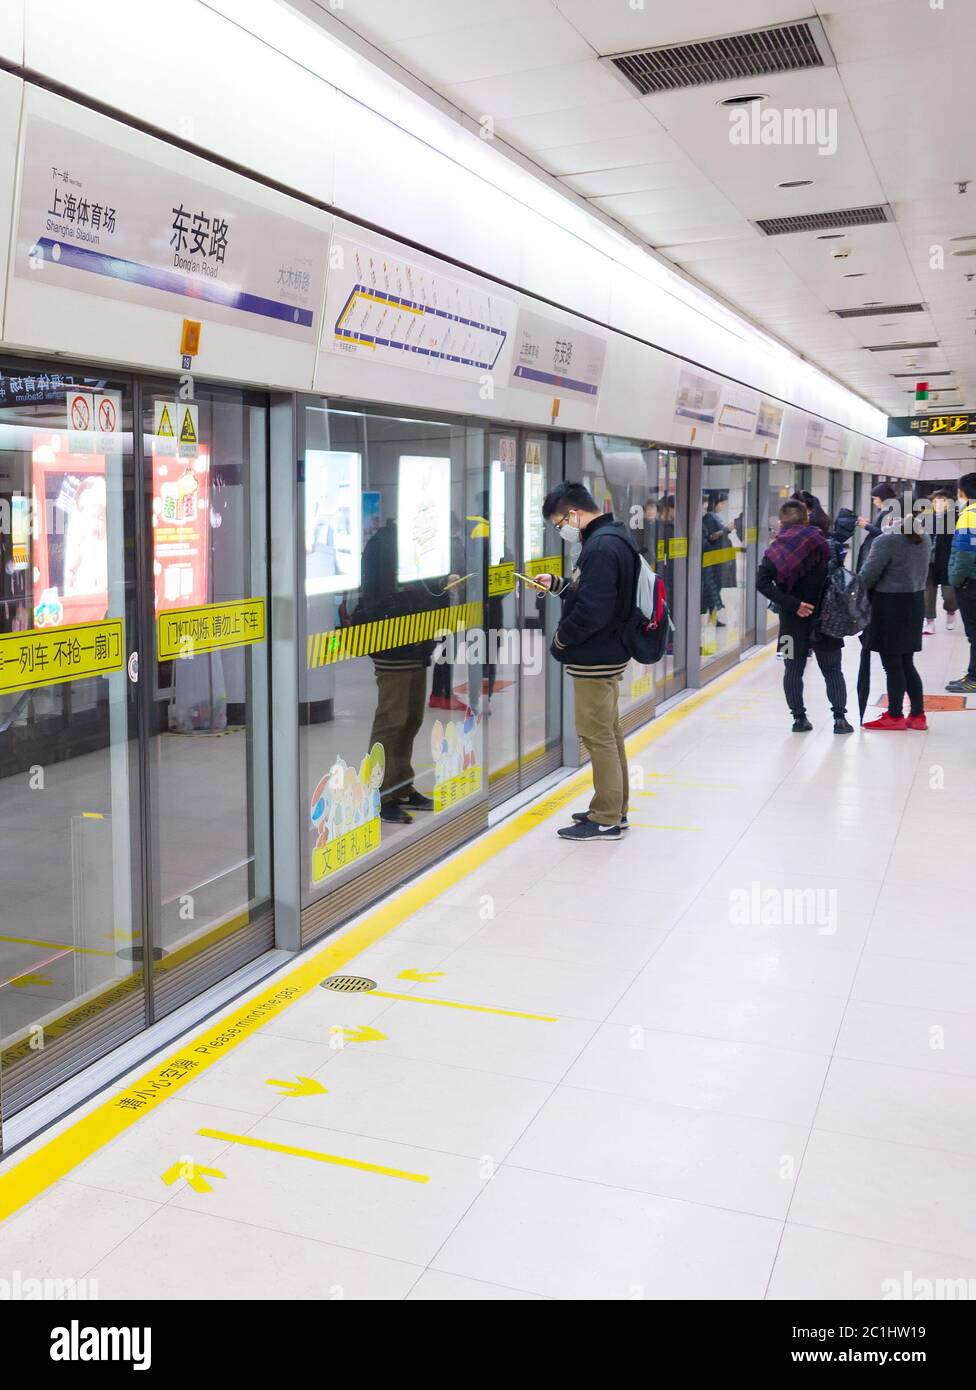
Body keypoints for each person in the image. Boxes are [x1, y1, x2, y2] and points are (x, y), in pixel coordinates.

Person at [534, 482, 633, 841]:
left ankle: (605, 816)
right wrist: (560, 584)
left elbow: (593, 610)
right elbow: (592, 592)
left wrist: (560, 641)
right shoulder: (613, 536)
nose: (561, 530)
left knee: (596, 736)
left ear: (574, 514)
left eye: (559, 523)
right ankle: (614, 809)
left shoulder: (600, 547)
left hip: (596, 656)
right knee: (610, 732)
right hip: (609, 652)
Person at [356, 519, 449, 823]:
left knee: (411, 718)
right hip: (393, 644)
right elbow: (377, 600)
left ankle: (402, 784)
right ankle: (379, 792)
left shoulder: (420, 543)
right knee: (391, 719)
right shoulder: (383, 545)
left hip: (417, 643)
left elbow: (428, 589)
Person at [757, 500, 853, 734]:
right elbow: (838, 578)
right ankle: (840, 719)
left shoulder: (774, 552)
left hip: (791, 624)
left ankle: (799, 719)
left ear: (781, 522)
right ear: (806, 519)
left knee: (792, 669)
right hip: (826, 620)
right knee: (832, 670)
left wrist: (793, 604)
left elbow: (762, 584)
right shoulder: (825, 544)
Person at [859, 508, 931, 730]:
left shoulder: (885, 541)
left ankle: (895, 716)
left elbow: (867, 577)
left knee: (892, 664)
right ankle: (918, 715)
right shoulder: (924, 537)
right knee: (906, 661)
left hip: (889, 605)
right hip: (915, 603)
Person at [947, 472, 976, 693]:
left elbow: (964, 553)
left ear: (963, 492)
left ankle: (974, 678)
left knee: (974, 632)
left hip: (971, 583)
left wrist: (956, 580)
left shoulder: (969, 515)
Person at [923, 488, 958, 636]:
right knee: (928, 594)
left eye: (942, 500)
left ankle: (951, 610)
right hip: (927, 562)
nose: (937, 503)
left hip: (947, 561)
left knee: (949, 594)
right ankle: (929, 621)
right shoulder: (926, 518)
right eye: (935, 500)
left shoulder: (955, 519)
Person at [856, 482, 898, 572]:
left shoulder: (890, 511)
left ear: (882, 497)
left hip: (875, 550)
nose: (873, 502)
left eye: (875, 499)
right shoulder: (884, 510)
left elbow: (884, 533)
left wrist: (867, 526)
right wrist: (869, 524)